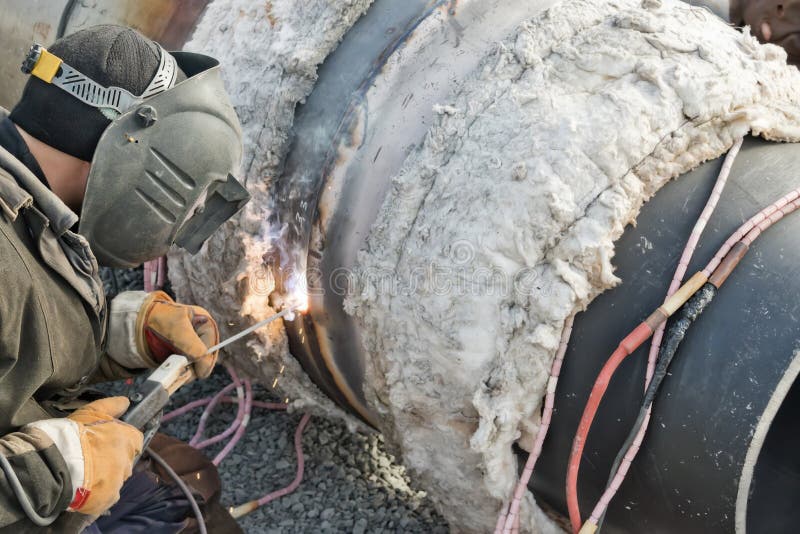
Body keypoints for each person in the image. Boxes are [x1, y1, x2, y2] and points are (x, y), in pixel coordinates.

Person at [0, 24, 249, 532]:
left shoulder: (35, 209)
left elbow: (16, 342)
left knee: (197, 490)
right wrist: (58, 467)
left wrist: (125, 332)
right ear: (130, 147)